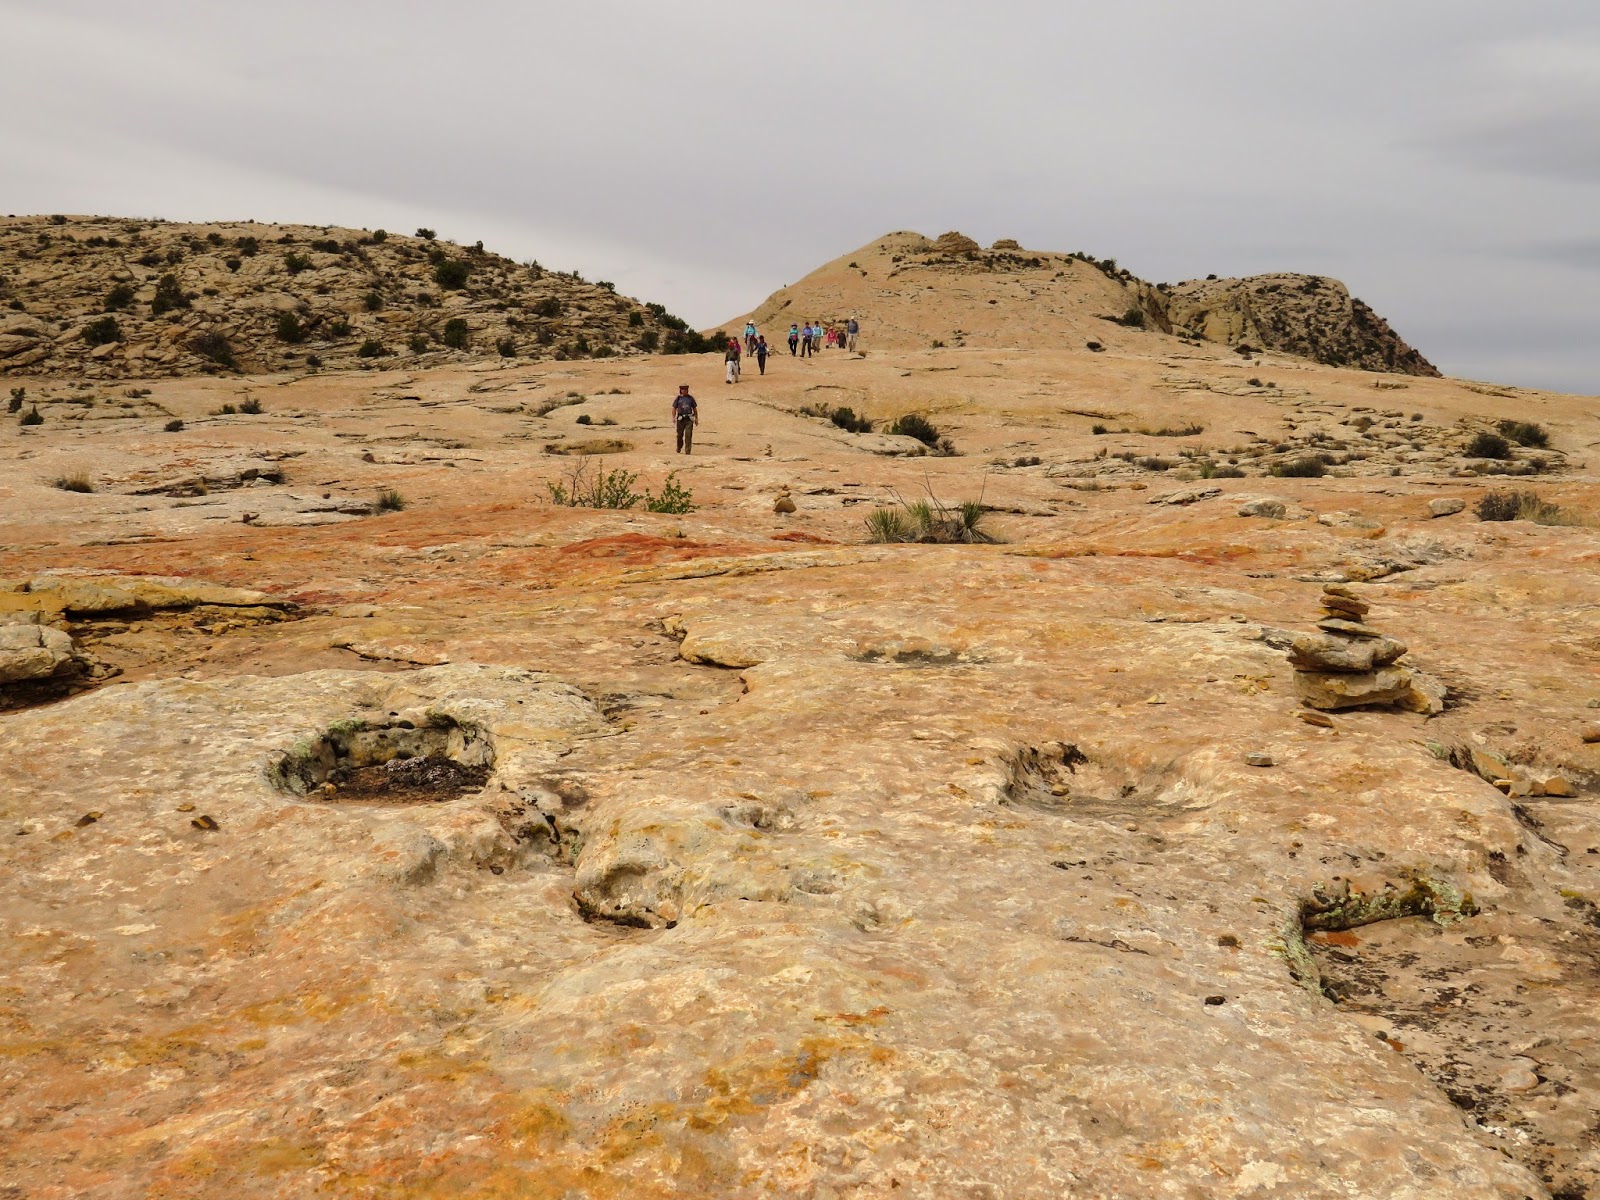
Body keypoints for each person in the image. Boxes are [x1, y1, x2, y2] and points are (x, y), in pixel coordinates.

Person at [672, 385, 697, 454]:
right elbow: (674, 408)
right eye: (683, 389)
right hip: (680, 419)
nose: (684, 390)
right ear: (680, 390)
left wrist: (696, 418)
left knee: (688, 434)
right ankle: (679, 446)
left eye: (686, 389)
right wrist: (673, 418)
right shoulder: (678, 398)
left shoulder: (690, 398)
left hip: (689, 419)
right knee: (679, 435)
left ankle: (688, 450)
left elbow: (694, 409)